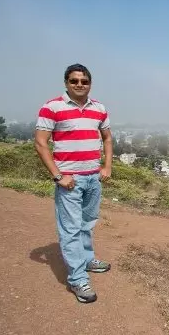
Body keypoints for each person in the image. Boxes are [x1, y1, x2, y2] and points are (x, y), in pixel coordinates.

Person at [34, 63, 113, 303]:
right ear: (66, 83)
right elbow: (40, 143)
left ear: (90, 83)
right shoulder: (52, 107)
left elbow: (107, 137)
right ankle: (78, 279)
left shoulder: (98, 108)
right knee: (70, 229)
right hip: (69, 180)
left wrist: (107, 166)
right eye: (74, 81)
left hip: (93, 177)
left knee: (87, 223)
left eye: (84, 81)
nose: (79, 84)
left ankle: (87, 259)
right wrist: (58, 175)